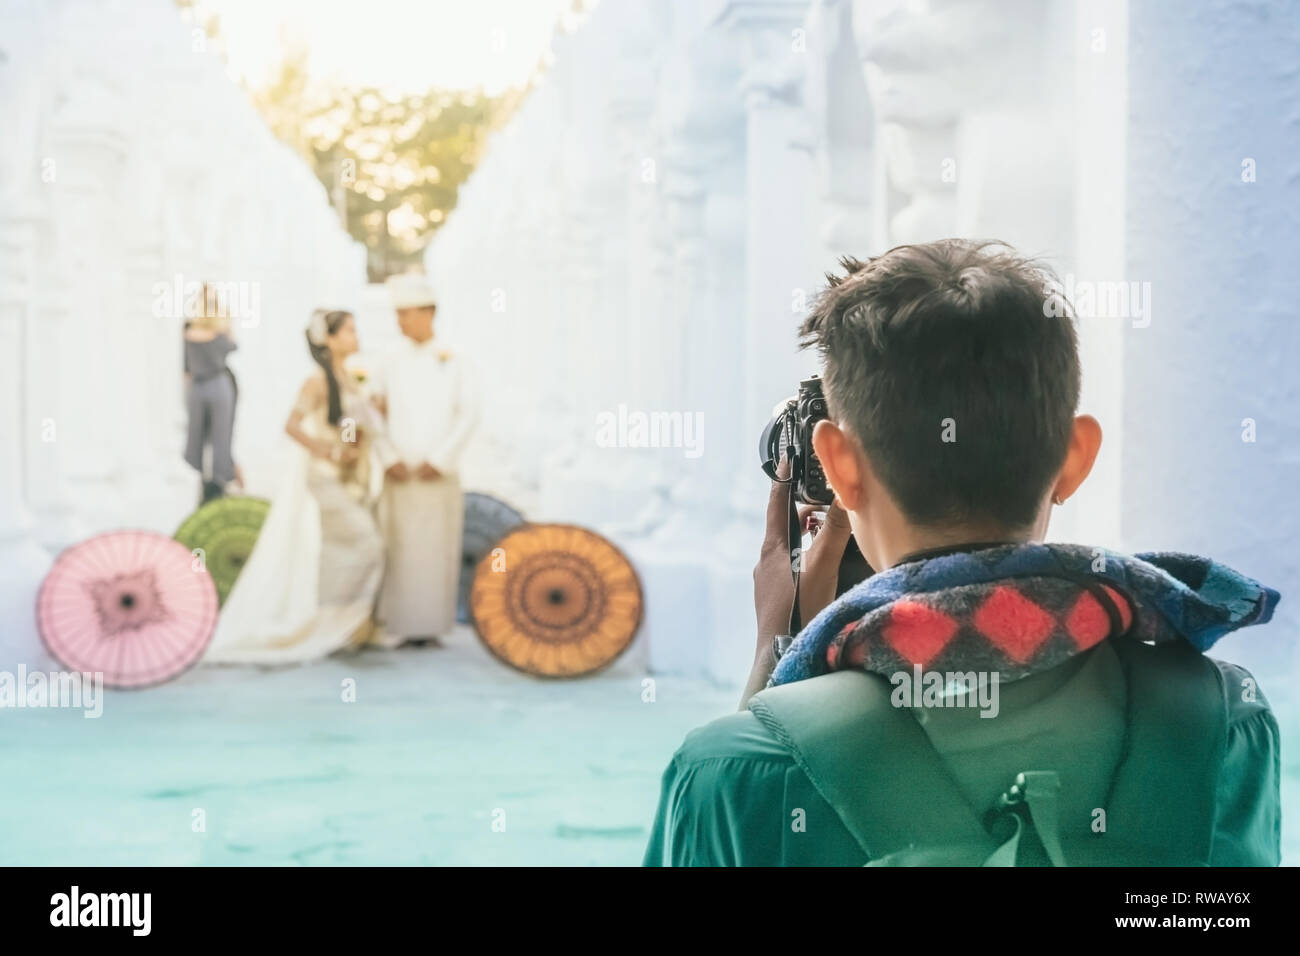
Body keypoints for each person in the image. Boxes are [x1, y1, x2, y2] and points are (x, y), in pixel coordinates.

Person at [643, 240, 1281, 866]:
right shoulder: (1223, 722)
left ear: (837, 465)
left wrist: (775, 653)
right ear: (1075, 457)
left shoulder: (735, 768)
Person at [204, 309, 399, 664]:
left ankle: (353, 627)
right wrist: (327, 449)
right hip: (324, 478)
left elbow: (348, 424)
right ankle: (336, 623)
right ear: (329, 340)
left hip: (349, 478)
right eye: (349, 331)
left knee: (339, 550)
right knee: (367, 542)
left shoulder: (351, 378)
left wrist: (357, 438)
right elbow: (292, 425)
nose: (356, 337)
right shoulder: (317, 381)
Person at [369, 273, 479, 647]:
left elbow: (469, 414)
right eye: (399, 315)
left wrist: (441, 459)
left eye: (409, 314)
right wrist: (387, 458)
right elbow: (372, 413)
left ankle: (431, 626)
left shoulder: (456, 358)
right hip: (398, 472)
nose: (402, 322)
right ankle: (398, 623)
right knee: (398, 549)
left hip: (438, 473)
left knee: (436, 550)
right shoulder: (386, 359)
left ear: (430, 313)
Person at [183, 284, 242, 503]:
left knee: (220, 436)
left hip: (213, 384)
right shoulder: (212, 329)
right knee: (198, 436)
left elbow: (232, 347)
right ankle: (204, 482)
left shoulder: (214, 328)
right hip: (206, 384)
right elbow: (233, 346)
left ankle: (219, 483)